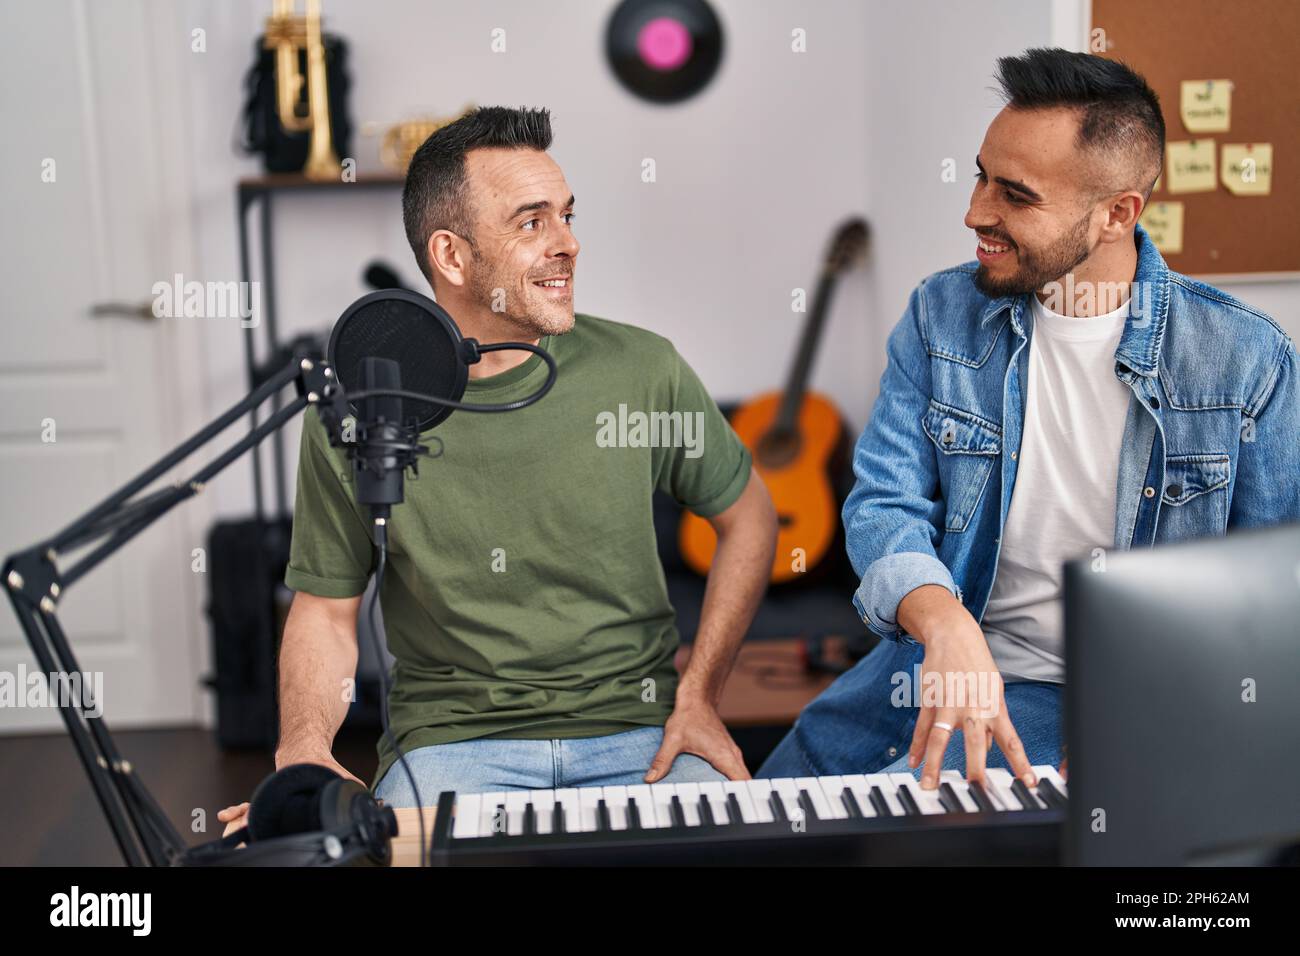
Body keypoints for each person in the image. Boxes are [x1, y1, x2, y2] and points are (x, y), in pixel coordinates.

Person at [221, 106, 776, 834]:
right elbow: (325, 610)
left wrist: (700, 694)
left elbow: (751, 516)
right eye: (531, 222)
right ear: (452, 257)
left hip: (641, 733)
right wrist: (303, 749)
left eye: (567, 216)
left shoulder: (644, 371)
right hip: (453, 746)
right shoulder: (359, 407)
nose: (568, 243)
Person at [758, 48, 1300, 792]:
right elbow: (884, 503)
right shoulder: (941, 313)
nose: (976, 212)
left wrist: (1155, 712)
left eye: (1015, 195)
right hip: (919, 665)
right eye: (981, 175)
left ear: (1117, 214)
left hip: (1093, 704)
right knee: (754, 809)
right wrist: (943, 620)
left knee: (905, 824)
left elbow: (1268, 590)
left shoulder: (1245, 359)